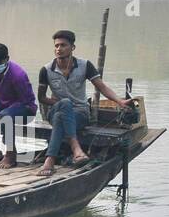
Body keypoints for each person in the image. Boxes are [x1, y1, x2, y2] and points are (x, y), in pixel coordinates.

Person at [36, 28, 133, 177]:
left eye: (63, 45)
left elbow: (101, 87)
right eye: (56, 46)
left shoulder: (84, 65)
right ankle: (76, 149)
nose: (59, 49)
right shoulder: (46, 69)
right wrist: (55, 101)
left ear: (72, 48)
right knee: (64, 105)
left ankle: (50, 160)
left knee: (60, 117)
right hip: (56, 109)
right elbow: (41, 97)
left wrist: (120, 101)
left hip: (80, 113)